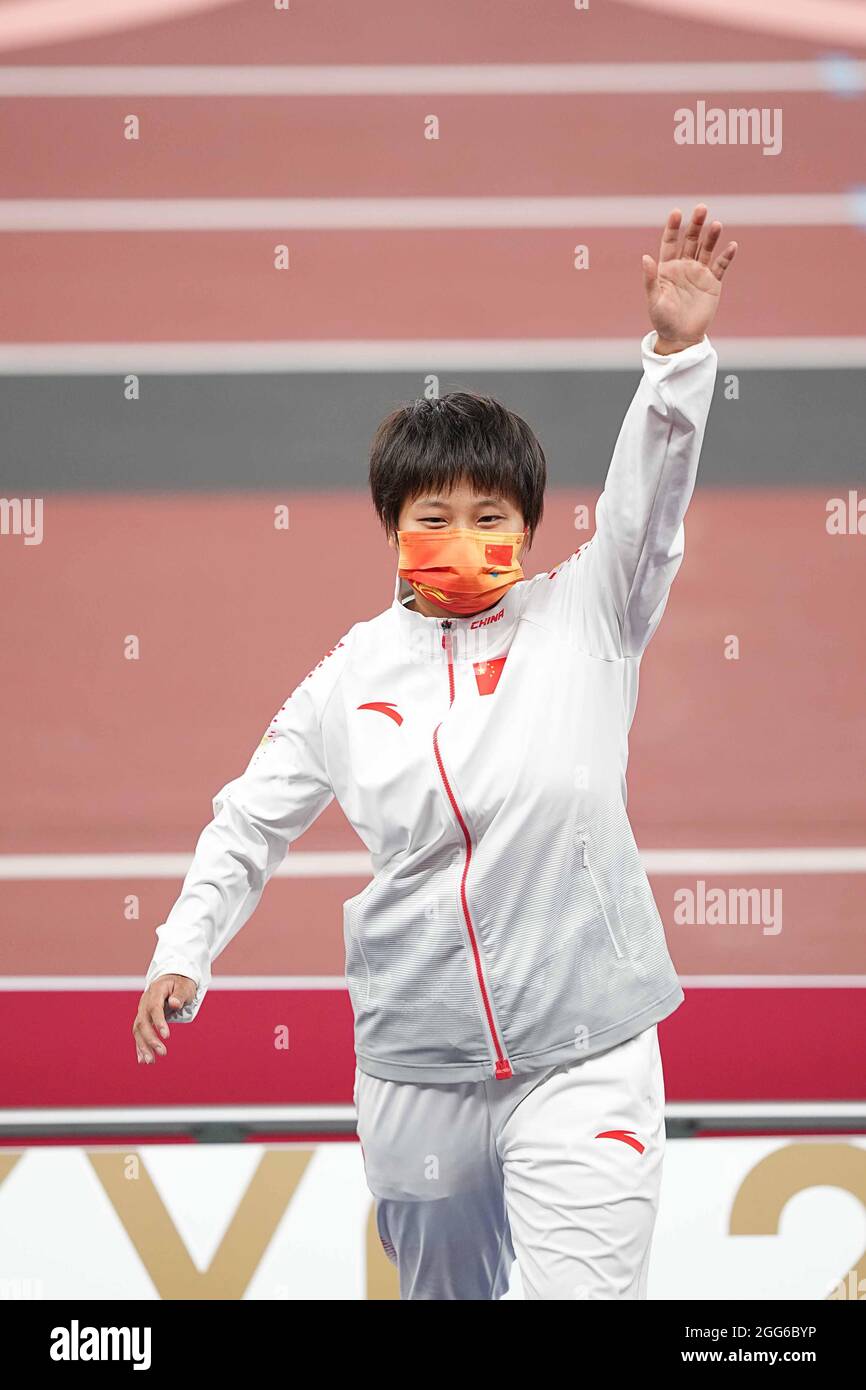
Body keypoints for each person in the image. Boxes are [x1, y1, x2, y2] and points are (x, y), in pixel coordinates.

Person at [133, 205, 737, 1300]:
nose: (464, 540)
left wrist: (674, 358)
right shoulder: (351, 675)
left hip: (587, 1052)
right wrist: (185, 945)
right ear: (391, 526)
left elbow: (653, 500)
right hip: (415, 1072)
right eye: (434, 515)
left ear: (529, 526)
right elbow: (250, 817)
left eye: (491, 514)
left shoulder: (589, 615)